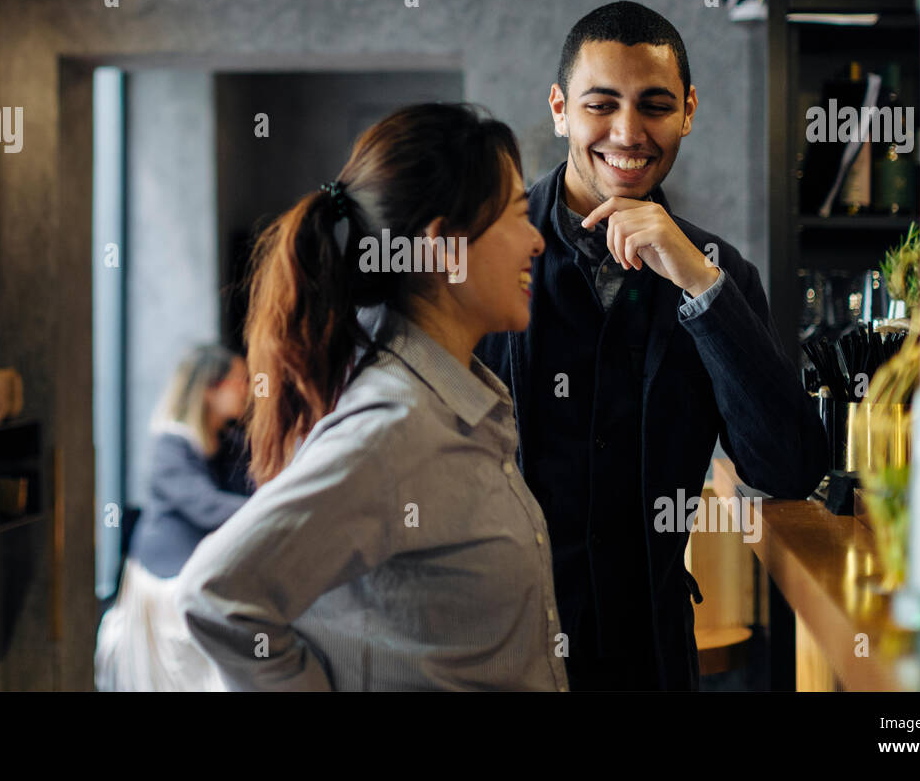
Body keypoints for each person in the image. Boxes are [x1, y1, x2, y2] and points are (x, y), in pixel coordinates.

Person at [476, 0, 830, 691]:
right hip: (502, 656)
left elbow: (787, 466)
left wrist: (699, 280)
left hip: (653, 661)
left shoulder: (722, 274)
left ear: (689, 111)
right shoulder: (492, 254)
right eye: (601, 105)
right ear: (559, 109)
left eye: (655, 106)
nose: (628, 132)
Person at [174, 102, 566, 690]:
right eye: (517, 215)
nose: (536, 241)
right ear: (443, 248)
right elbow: (217, 593)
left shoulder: (453, 403)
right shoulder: (397, 427)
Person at [94, 345, 253, 691]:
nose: (248, 388)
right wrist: (273, 508)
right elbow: (207, 506)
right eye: (240, 381)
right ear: (211, 387)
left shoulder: (227, 442)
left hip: (196, 581)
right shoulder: (171, 444)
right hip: (164, 587)